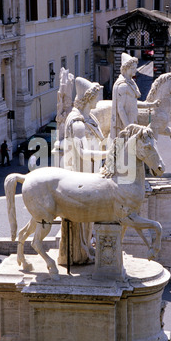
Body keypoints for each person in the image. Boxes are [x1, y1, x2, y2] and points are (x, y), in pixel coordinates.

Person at [60, 77, 108, 265]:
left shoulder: (91, 118)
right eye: (95, 95)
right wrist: (109, 153)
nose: (98, 99)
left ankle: (86, 247)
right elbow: (82, 152)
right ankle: (79, 252)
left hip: (92, 173)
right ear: (88, 98)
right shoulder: (78, 122)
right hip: (81, 175)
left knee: (90, 217)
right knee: (84, 216)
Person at [110, 53, 160, 139]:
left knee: (131, 151)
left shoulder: (131, 83)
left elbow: (134, 103)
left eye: (135, 68)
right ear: (126, 68)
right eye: (133, 68)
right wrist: (129, 128)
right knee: (121, 151)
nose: (135, 70)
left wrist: (151, 105)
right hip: (124, 127)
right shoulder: (123, 86)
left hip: (132, 121)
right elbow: (120, 109)